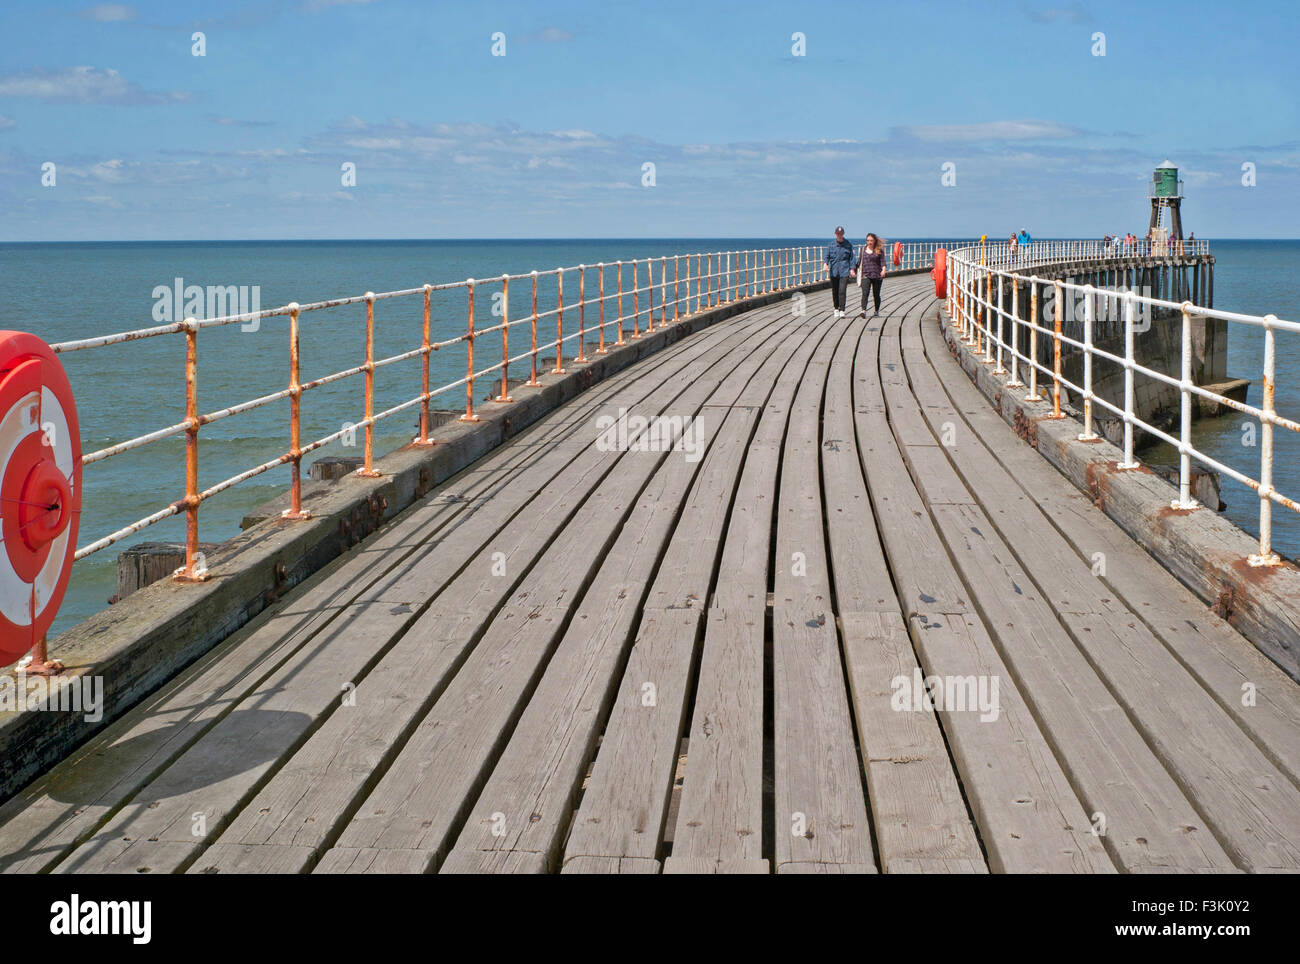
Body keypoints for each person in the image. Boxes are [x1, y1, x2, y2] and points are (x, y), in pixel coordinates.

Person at [851, 233, 887, 317]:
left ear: (874, 241)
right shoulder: (863, 250)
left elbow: (883, 262)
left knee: (876, 294)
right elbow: (859, 262)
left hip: (877, 275)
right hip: (865, 275)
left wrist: (884, 270)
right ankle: (863, 311)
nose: (869, 242)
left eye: (871, 240)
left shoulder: (879, 250)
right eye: (867, 240)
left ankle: (876, 310)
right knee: (865, 293)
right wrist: (853, 270)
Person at [823, 226, 854, 319]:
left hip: (844, 271)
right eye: (838, 234)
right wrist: (825, 264)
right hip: (834, 271)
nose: (839, 235)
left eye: (841, 234)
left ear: (843, 234)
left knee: (842, 291)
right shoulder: (831, 245)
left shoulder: (848, 245)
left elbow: (852, 258)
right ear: (835, 234)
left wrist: (852, 269)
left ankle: (842, 310)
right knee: (835, 291)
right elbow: (827, 256)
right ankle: (836, 308)